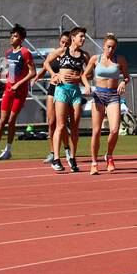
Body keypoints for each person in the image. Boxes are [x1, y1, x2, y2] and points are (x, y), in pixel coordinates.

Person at [0, 24, 37, 161]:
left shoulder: (26, 53)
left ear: (21, 39)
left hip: (20, 92)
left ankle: (8, 150)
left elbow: (33, 72)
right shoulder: (8, 53)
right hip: (9, 90)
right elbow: (9, 71)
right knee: (2, 120)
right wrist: (0, 76)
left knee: (11, 121)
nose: (12, 38)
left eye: (15, 36)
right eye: (12, 35)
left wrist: (19, 84)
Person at [45, 27, 90, 172]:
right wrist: (54, 74)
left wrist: (78, 78)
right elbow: (46, 63)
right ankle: (57, 159)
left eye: (84, 37)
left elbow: (90, 75)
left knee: (75, 126)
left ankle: (72, 158)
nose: (83, 39)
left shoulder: (84, 55)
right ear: (73, 37)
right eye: (81, 37)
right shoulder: (62, 51)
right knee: (61, 125)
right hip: (62, 90)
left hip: (75, 91)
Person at [85, 33, 130, 174]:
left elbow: (127, 77)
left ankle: (109, 155)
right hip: (98, 95)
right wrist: (87, 86)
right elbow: (84, 75)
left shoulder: (120, 60)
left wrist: (123, 82)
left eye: (113, 47)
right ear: (103, 46)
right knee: (96, 131)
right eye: (108, 47)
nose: (110, 50)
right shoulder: (95, 59)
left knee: (115, 130)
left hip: (113, 96)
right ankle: (94, 163)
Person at [41, 31, 70, 164]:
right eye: (62, 42)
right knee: (51, 122)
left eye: (67, 42)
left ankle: (67, 149)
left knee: (61, 123)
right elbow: (46, 64)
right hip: (52, 89)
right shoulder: (55, 53)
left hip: (64, 90)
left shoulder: (72, 56)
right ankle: (52, 152)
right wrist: (49, 74)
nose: (64, 44)